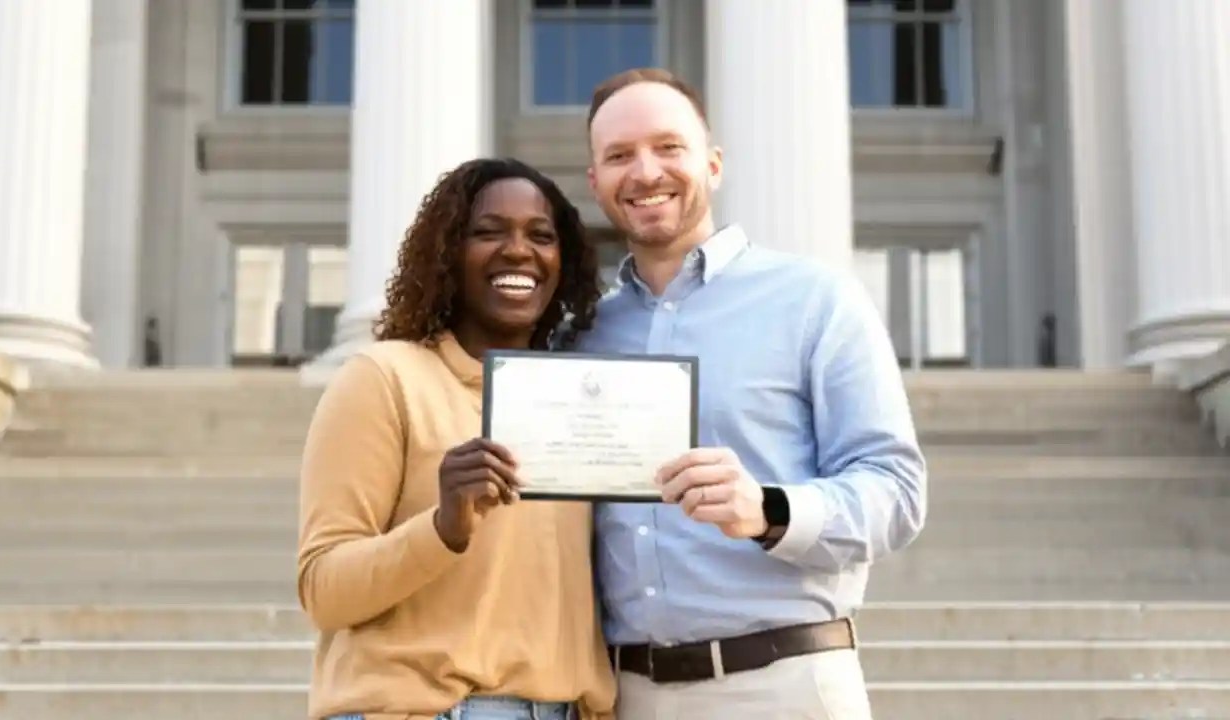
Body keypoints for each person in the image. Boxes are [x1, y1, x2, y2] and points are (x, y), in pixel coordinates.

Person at [576, 68, 929, 719]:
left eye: (668, 147)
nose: (645, 171)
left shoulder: (816, 300)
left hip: (787, 685)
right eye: (619, 155)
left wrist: (768, 508)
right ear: (595, 181)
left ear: (712, 164)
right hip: (628, 696)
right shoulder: (583, 334)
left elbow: (898, 492)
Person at [296, 157, 616, 720]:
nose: (518, 251)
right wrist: (443, 526)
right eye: (488, 232)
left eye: (541, 236)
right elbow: (324, 590)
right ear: (446, 254)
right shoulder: (384, 379)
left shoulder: (580, 404)